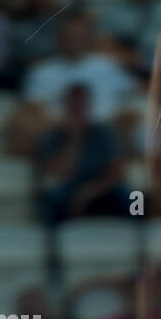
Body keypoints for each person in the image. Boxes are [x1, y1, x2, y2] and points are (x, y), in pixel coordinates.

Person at [35, 83, 130, 225]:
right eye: (74, 109)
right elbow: (60, 174)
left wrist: (90, 191)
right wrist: (74, 138)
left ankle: (129, 238)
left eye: (81, 107)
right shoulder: (52, 136)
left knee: (130, 197)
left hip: (100, 185)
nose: (78, 112)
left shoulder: (103, 133)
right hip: (69, 186)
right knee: (55, 199)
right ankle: (58, 242)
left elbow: (117, 172)